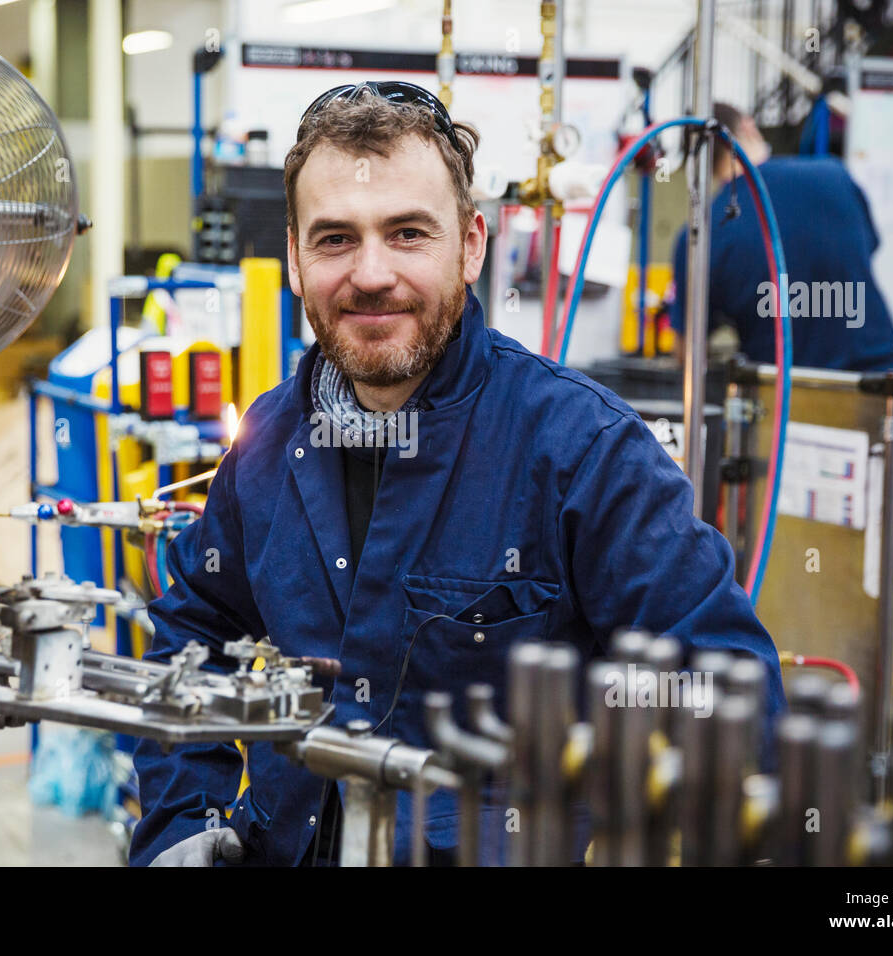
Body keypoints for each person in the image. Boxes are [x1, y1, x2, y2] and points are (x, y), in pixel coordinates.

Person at [132, 82, 784, 867]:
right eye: (335, 239)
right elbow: (191, 628)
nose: (371, 274)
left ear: (471, 245)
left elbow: (727, 690)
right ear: (295, 261)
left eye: (408, 233)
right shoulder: (265, 441)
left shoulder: (581, 449)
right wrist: (184, 818)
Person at [670, 103, 893, 468]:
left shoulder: (702, 233)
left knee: (798, 525)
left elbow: (688, 354)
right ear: (748, 126)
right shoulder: (833, 176)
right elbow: (863, 252)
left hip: (791, 418)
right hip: (883, 396)